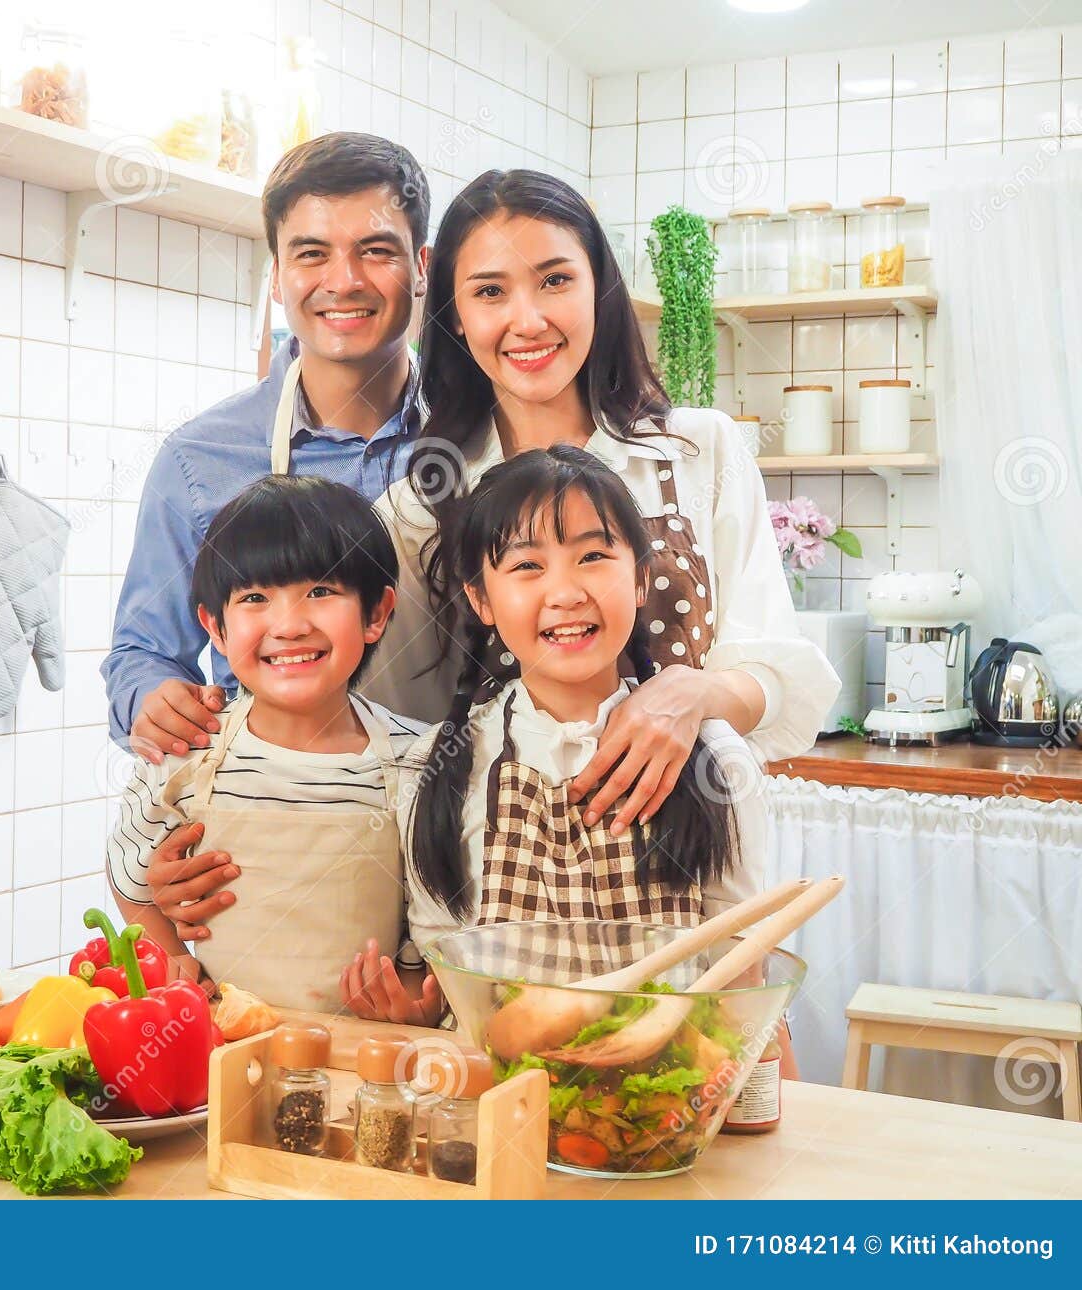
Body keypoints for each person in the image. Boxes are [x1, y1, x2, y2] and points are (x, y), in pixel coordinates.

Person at [358, 168, 838, 843]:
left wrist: (691, 695)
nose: (528, 320)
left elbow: (779, 672)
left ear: (598, 290)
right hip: (498, 879)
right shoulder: (424, 504)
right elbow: (394, 731)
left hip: (695, 856)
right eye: (490, 292)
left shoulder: (698, 452)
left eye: (555, 280)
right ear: (456, 318)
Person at [341, 447, 764, 1026]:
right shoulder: (433, 769)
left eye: (593, 555)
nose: (565, 593)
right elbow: (448, 987)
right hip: (499, 1096)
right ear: (481, 600)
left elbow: (742, 979)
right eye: (526, 567)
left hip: (667, 1097)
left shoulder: (714, 759)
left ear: (641, 579)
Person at [103, 132, 431, 765]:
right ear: (276, 277)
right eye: (312, 253)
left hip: (456, 813)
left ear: (420, 267)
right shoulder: (197, 461)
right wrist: (151, 701)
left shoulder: (483, 439)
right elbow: (141, 654)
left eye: (376, 251)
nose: (344, 280)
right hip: (272, 809)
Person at [105, 475, 426, 1014]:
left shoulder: (419, 759)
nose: (289, 625)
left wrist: (411, 1006)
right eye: (254, 598)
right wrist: (168, 962)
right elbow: (130, 876)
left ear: (375, 613)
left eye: (321, 592)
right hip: (218, 1048)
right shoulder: (188, 753)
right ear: (217, 628)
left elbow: (435, 927)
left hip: (363, 1057)